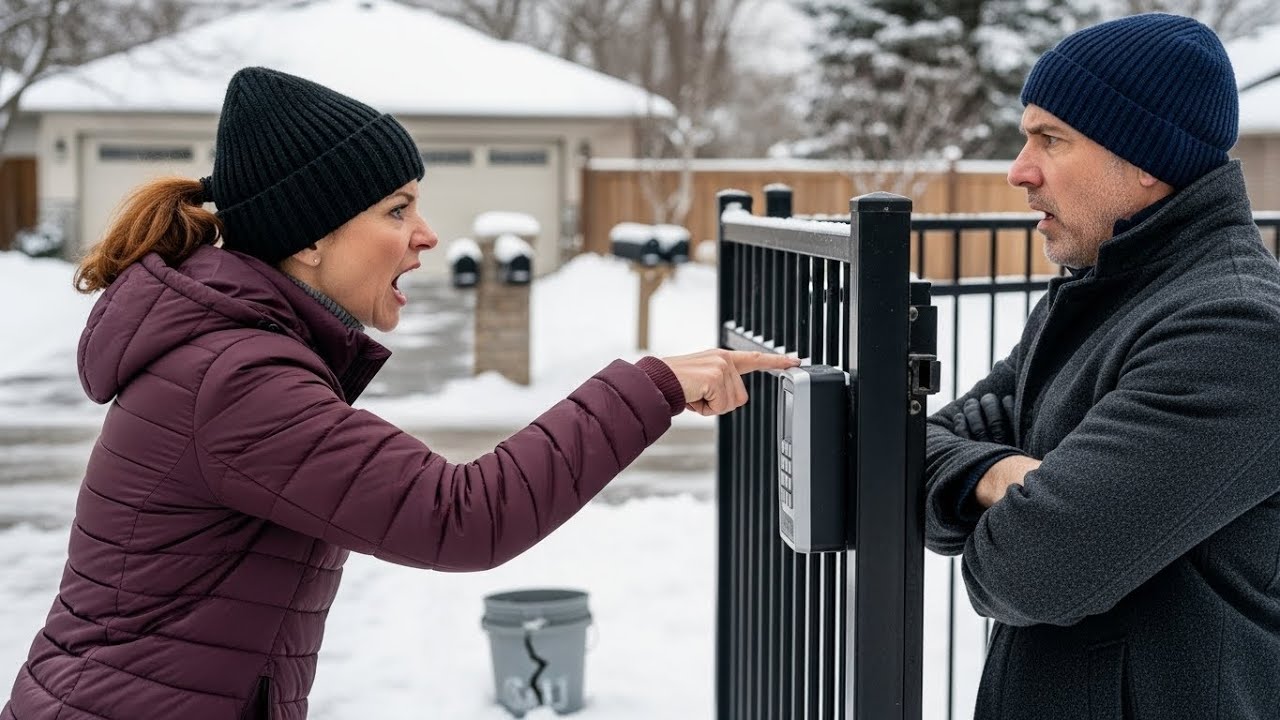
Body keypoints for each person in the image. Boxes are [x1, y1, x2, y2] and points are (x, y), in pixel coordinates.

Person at [1, 67, 795, 720]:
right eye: (396, 208)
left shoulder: (232, 356)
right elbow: (458, 517)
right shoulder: (234, 378)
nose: (426, 234)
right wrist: (649, 388)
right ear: (308, 237)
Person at [924, 13, 1280, 720]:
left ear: (1149, 160)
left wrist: (996, 499)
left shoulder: (1236, 331)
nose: (1018, 170)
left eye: (1052, 139)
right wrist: (998, 475)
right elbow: (914, 444)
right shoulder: (1100, 294)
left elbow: (1033, 569)